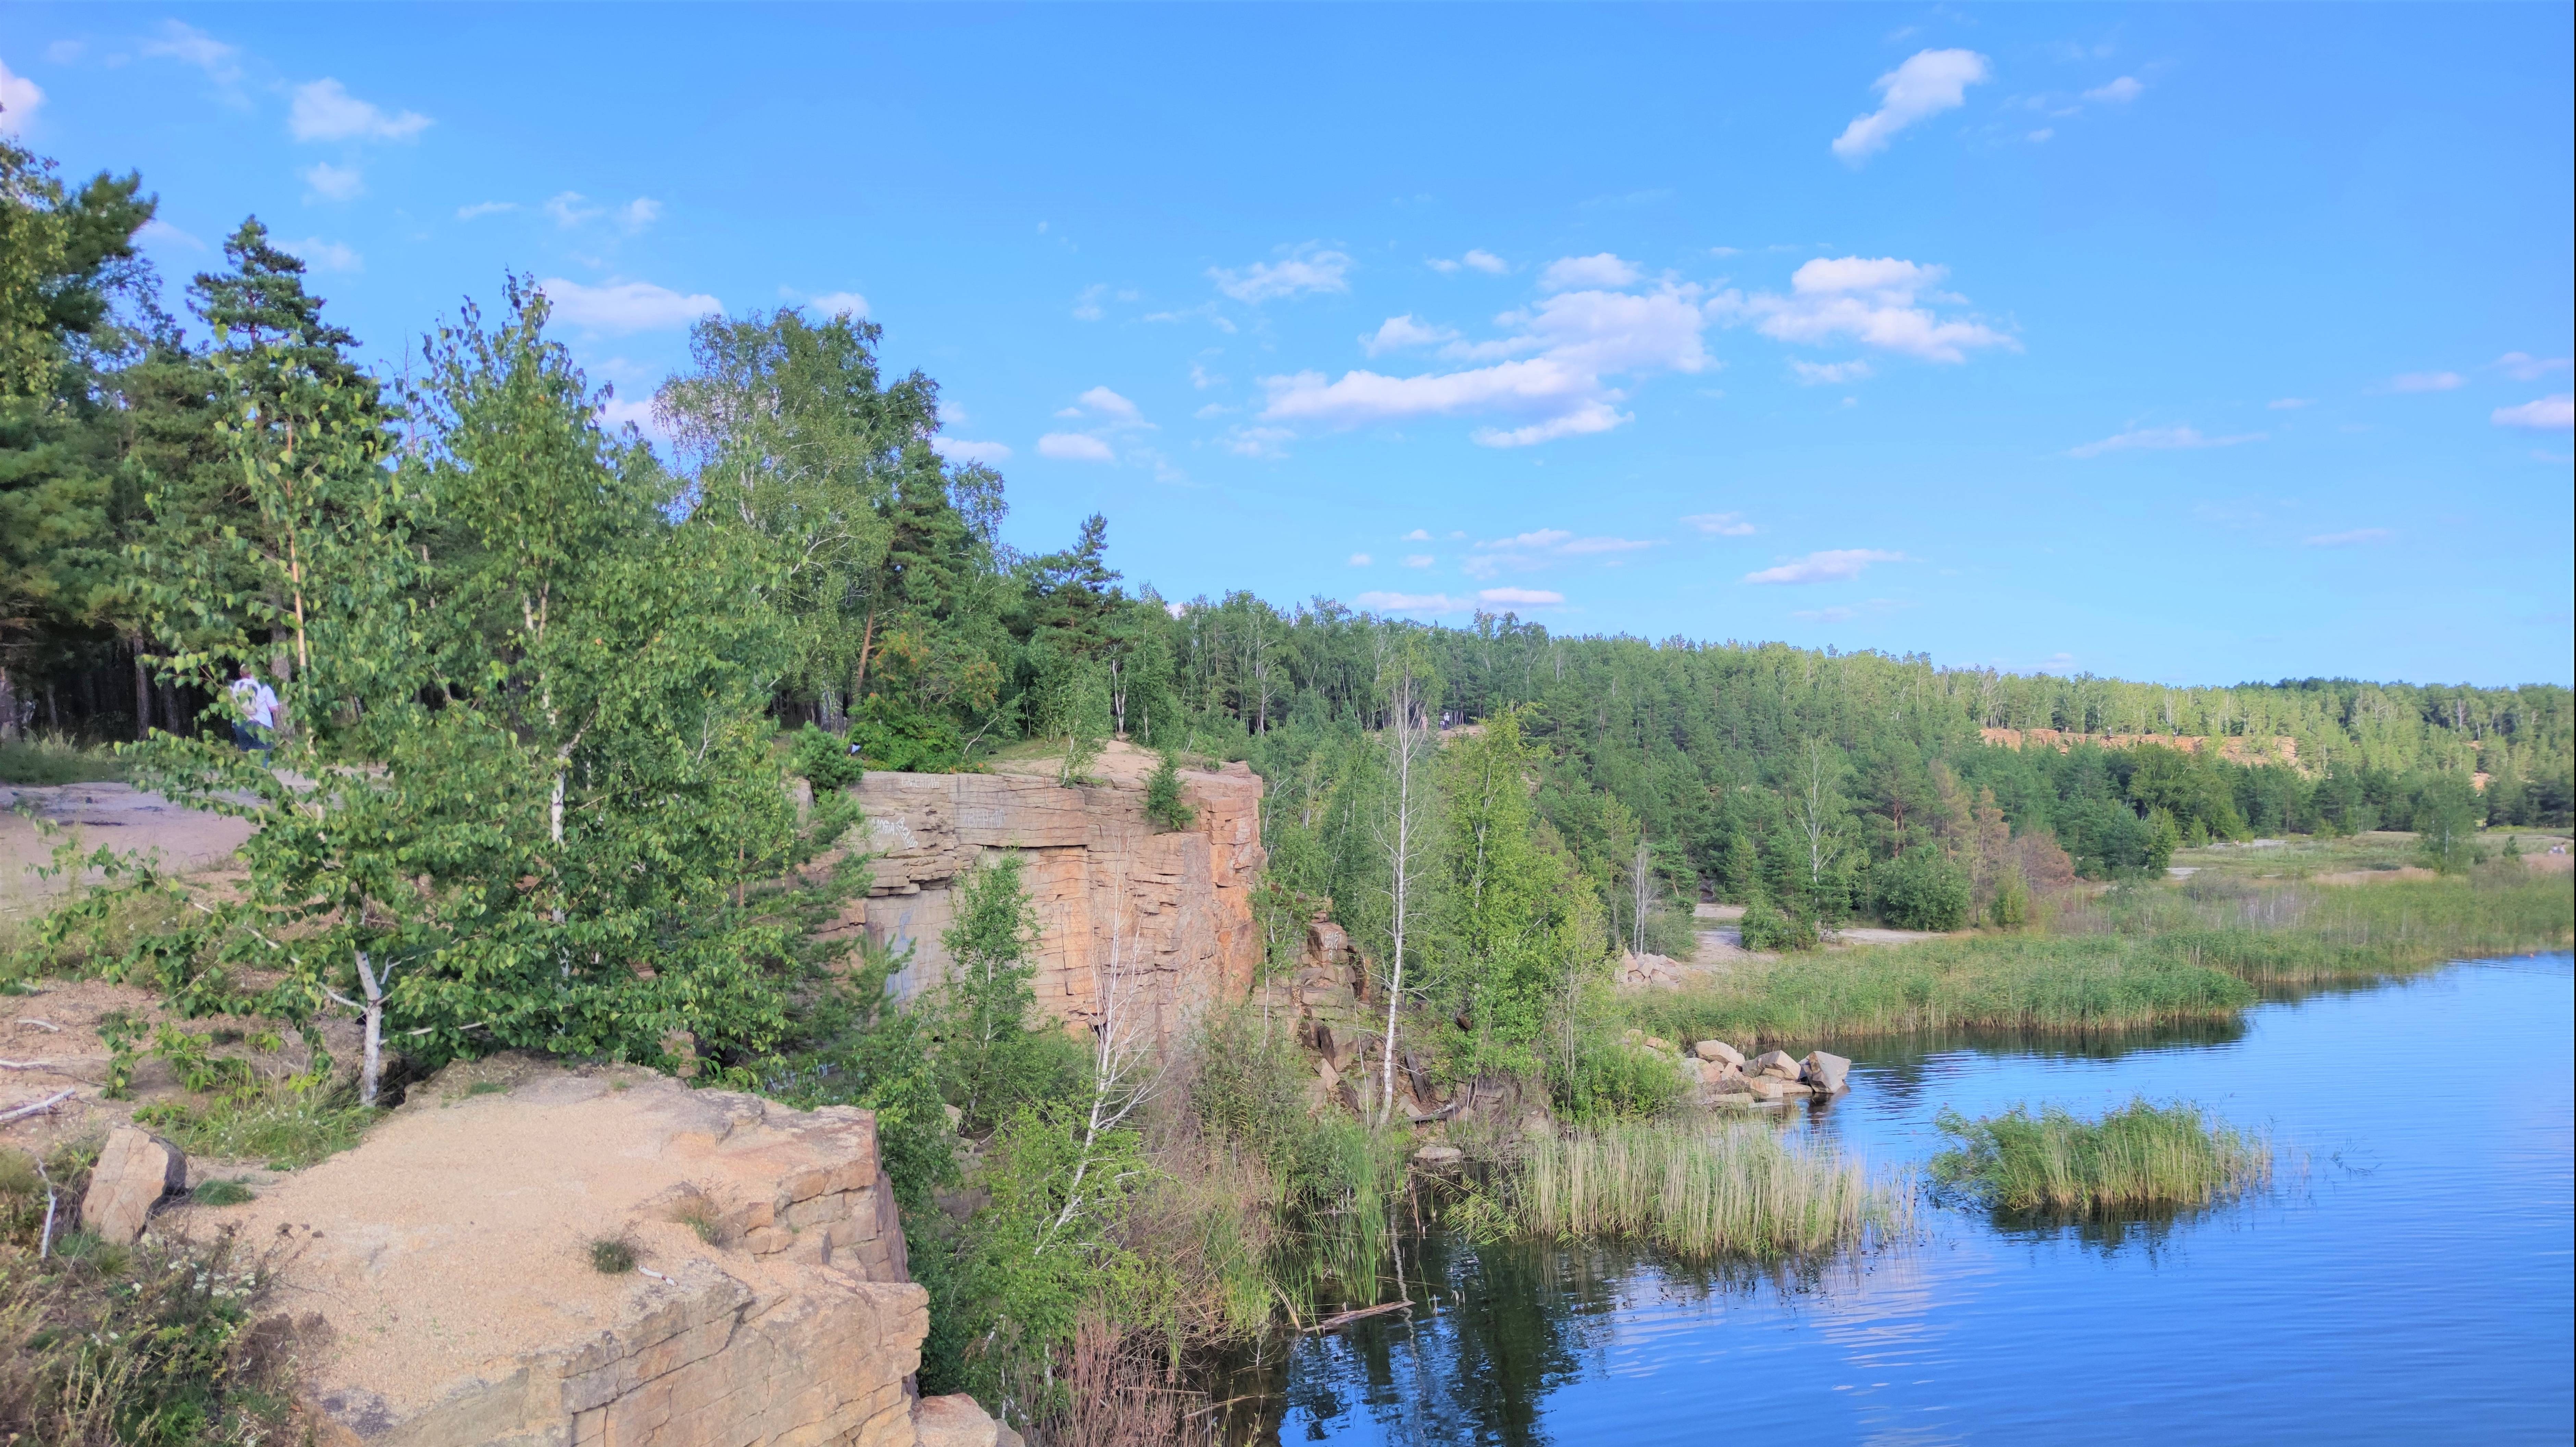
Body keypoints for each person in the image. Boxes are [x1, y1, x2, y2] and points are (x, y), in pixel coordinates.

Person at [230, 662, 281, 760]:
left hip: (240, 724)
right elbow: (275, 708)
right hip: (261, 724)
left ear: (241, 674)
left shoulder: (234, 687)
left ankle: (247, 768)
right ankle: (262, 769)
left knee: (246, 755)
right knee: (264, 752)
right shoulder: (263, 687)